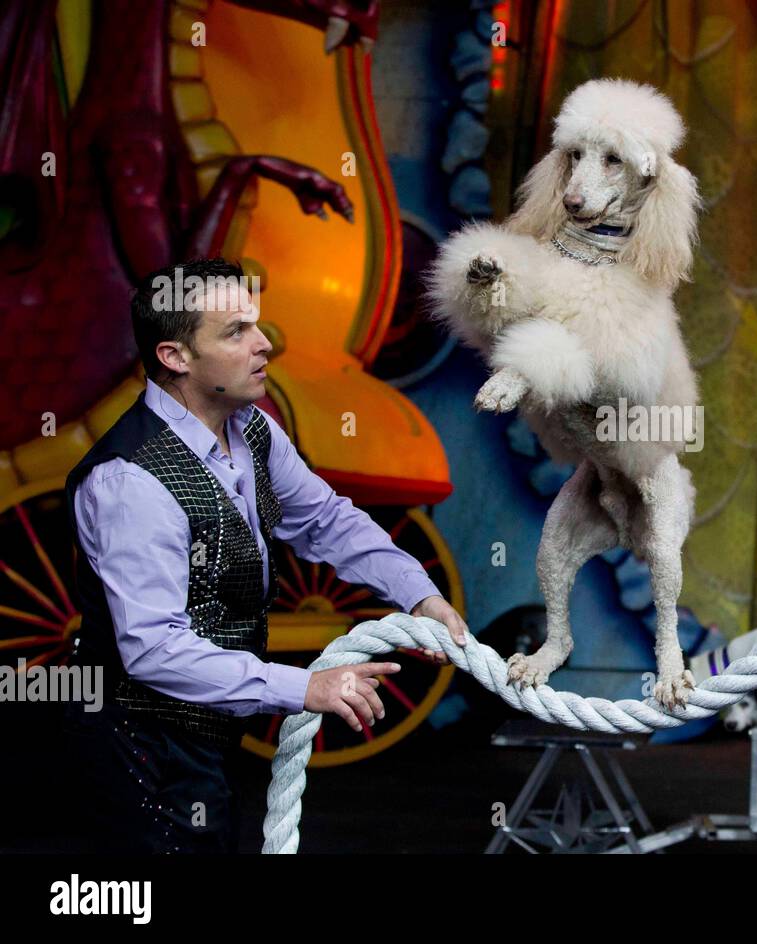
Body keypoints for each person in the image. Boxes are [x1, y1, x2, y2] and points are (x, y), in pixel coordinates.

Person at [62, 257, 470, 853]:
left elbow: (326, 520)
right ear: (175, 357)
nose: (264, 345)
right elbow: (152, 651)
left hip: (210, 734)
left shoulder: (250, 427)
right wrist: (305, 687)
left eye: (256, 324)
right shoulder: (130, 482)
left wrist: (418, 592)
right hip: (141, 746)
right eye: (235, 332)